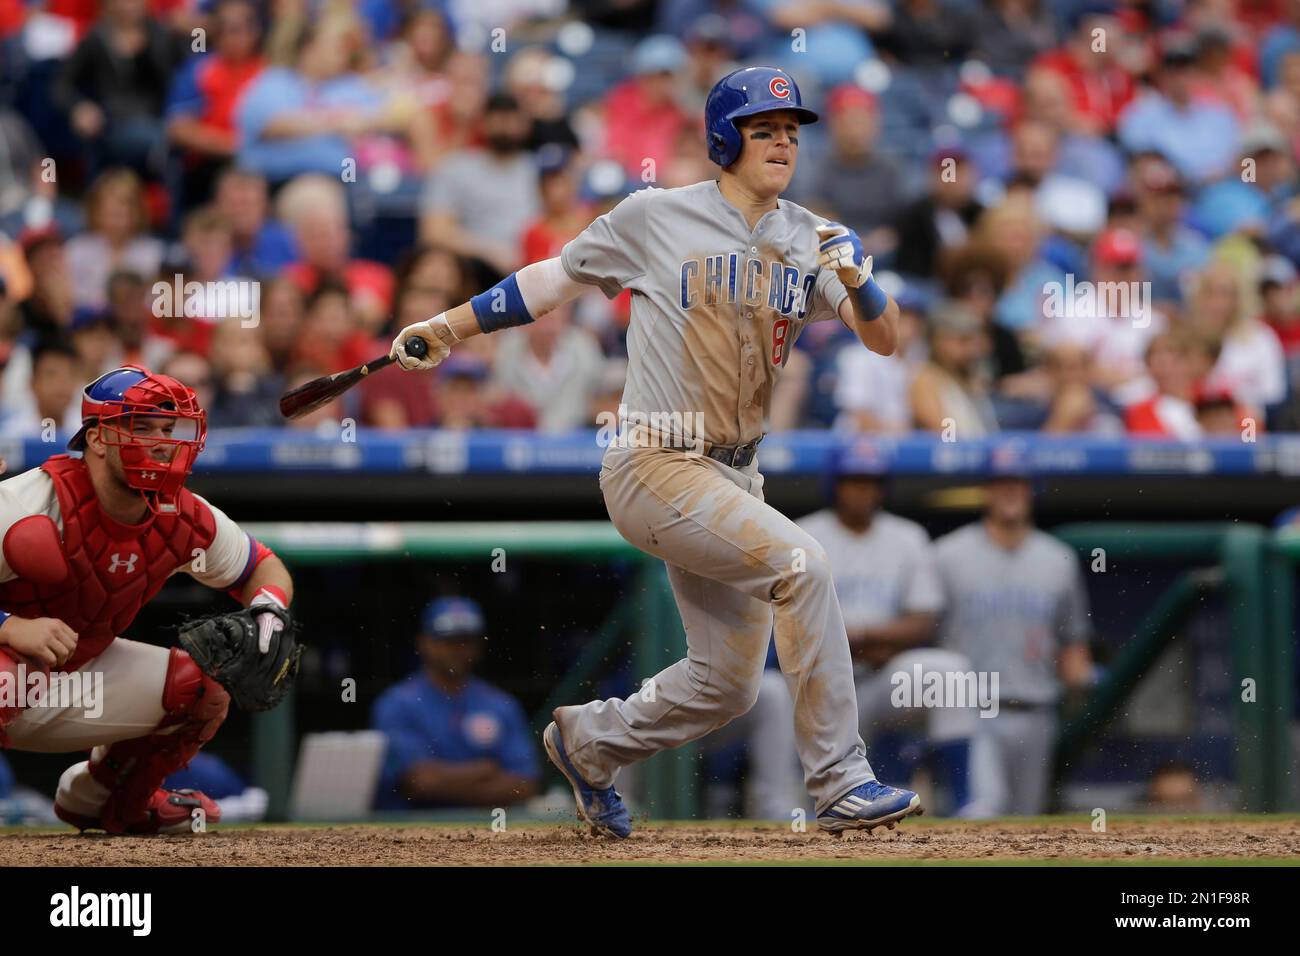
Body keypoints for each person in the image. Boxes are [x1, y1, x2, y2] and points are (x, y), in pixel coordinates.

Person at [388, 67, 920, 838]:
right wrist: (448, 327)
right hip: (655, 459)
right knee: (804, 567)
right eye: (764, 128)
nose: (781, 143)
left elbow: (885, 337)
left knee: (727, 686)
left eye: (791, 132)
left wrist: (859, 277)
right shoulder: (656, 216)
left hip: (737, 476)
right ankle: (840, 781)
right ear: (723, 138)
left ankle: (588, 741)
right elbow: (553, 279)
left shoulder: (810, 237)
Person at [0, 365, 296, 833]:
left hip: (71, 675)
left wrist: (269, 608)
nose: (162, 441)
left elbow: (262, 565)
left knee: (201, 686)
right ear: (97, 439)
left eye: (170, 428)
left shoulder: (183, 515)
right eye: (142, 427)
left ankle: (109, 801)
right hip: (10, 670)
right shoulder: (28, 502)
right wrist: (9, 625)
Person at [746, 443, 978, 817]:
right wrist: (852, 641)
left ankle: (968, 807)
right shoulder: (803, 534)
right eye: (853, 481)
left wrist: (863, 637)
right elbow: (780, 618)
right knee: (775, 704)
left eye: (871, 482)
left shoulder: (907, 537)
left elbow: (923, 620)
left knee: (948, 672)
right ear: (834, 485)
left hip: (877, 682)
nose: (862, 490)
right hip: (813, 686)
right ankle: (777, 821)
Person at [934, 464, 1095, 815]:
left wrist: (1085, 682)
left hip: (1037, 711)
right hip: (972, 709)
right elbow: (928, 636)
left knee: (1027, 825)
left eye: (1018, 484)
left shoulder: (1059, 559)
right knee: (982, 810)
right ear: (986, 491)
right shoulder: (948, 554)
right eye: (1001, 483)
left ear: (1031, 490)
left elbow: (1072, 643)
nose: (1010, 492)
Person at [371, 597, 539, 810]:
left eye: (466, 640)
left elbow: (524, 785)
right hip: (411, 834)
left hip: (488, 834)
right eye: (448, 640)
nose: (458, 649)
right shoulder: (398, 702)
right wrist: (484, 770)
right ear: (424, 643)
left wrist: (447, 781)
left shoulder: (501, 704)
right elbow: (420, 782)